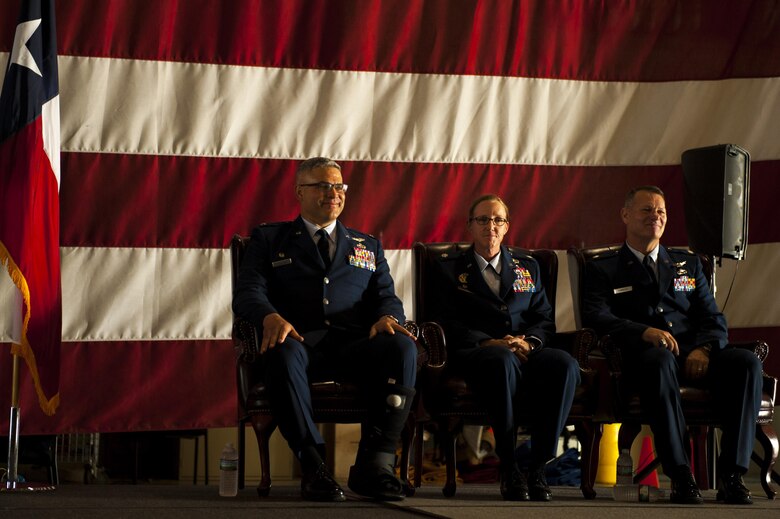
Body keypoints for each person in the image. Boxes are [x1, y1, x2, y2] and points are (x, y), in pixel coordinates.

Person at [232, 157, 418, 502]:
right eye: (322, 186)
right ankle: (313, 464)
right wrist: (269, 316)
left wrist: (387, 317)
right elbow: (248, 292)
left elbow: (386, 297)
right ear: (299, 192)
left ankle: (375, 465)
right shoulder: (270, 239)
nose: (333, 193)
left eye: (338, 186)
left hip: (353, 346)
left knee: (402, 347)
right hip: (298, 344)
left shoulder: (367, 245)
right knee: (282, 351)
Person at [581, 185, 762, 505]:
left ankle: (732, 476)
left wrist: (705, 349)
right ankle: (681, 474)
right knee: (660, 361)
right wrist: (642, 331)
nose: (656, 216)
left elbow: (713, 318)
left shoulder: (687, 264)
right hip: (643, 360)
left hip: (694, 354)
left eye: (661, 211)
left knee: (746, 363)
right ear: (625, 215)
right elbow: (596, 316)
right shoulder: (603, 266)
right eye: (646, 210)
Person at [430, 194, 581, 501]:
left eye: (498, 220)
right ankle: (510, 465)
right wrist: (487, 341)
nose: (491, 226)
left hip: (525, 350)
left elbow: (543, 319)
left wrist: (529, 341)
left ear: (507, 226)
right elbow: (444, 320)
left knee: (565, 364)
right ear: (470, 226)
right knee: (501, 360)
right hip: (477, 354)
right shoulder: (447, 268)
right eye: (483, 219)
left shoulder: (529, 267)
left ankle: (538, 465)